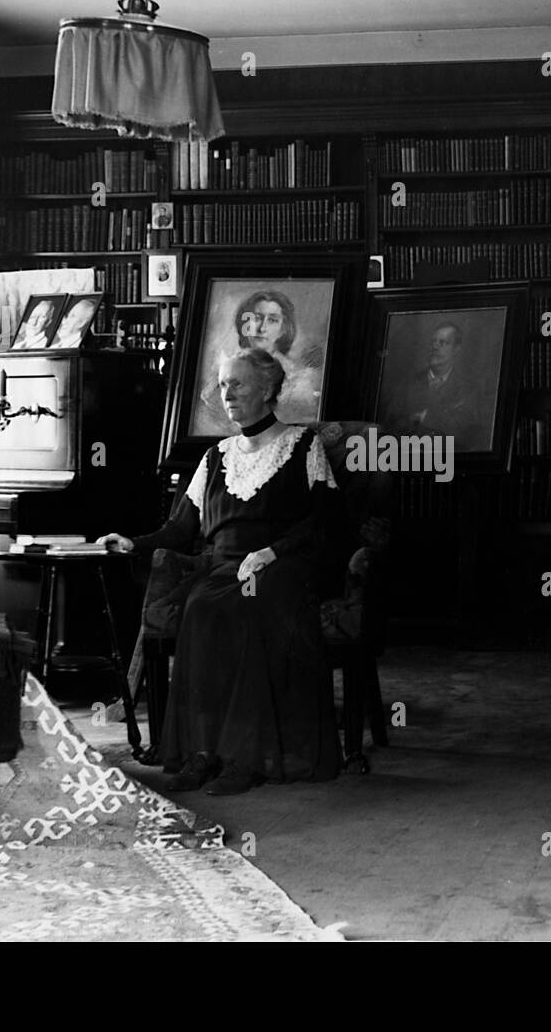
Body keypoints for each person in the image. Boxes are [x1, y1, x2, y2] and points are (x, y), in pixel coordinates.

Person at [99, 347, 341, 795]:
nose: (227, 394)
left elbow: (322, 523)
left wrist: (272, 551)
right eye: (224, 384)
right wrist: (135, 542)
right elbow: (180, 527)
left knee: (249, 608)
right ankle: (203, 751)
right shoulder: (215, 457)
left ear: (268, 390)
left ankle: (244, 757)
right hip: (223, 567)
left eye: (239, 384)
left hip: (283, 565)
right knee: (202, 609)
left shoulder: (303, 446)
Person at [195, 289, 323, 432]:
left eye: (272, 320)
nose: (262, 328)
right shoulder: (221, 376)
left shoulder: (298, 380)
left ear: (283, 329)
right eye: (256, 318)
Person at [385, 320, 489, 448]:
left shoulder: (469, 390)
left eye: (443, 342)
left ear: (456, 349)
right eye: (433, 342)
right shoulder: (408, 384)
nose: (435, 346)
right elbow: (390, 424)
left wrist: (424, 417)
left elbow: (467, 433)